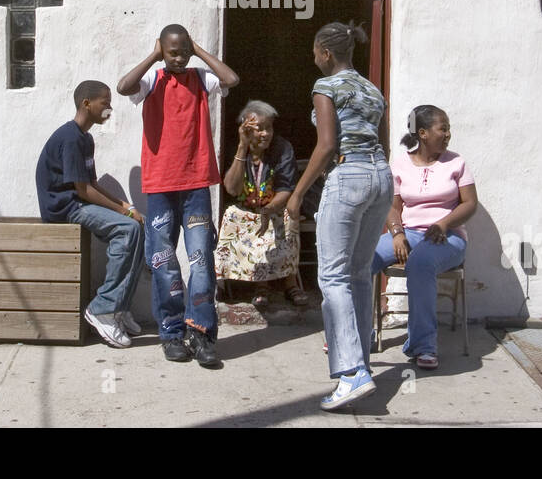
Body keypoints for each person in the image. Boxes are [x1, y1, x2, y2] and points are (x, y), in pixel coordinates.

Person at [271, 21, 390, 411]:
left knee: (333, 277)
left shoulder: (326, 87)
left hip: (349, 175)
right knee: (358, 274)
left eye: (313, 50)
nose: (312, 57)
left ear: (325, 53)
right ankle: (362, 366)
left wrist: (298, 193)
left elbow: (326, 146)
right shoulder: (372, 89)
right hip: (380, 176)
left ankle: (351, 373)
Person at [117, 24, 239, 367]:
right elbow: (123, 86)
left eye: (183, 51)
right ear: (161, 49)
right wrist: (154, 56)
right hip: (160, 186)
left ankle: (201, 335)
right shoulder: (152, 81)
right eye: (172, 51)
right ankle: (171, 334)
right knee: (165, 264)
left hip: (196, 184)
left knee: (201, 262)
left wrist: (199, 51)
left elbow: (230, 79)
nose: (179, 57)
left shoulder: (201, 78)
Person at [36, 80, 146, 349]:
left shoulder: (85, 138)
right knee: (127, 229)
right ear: (87, 103)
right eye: (105, 103)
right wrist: (122, 213)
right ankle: (102, 308)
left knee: (136, 226)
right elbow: (83, 190)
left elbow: (93, 184)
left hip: (78, 203)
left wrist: (127, 206)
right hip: (65, 208)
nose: (109, 109)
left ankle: (119, 307)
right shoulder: (71, 138)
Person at [371, 104, 478, 369]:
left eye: (448, 129)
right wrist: (396, 234)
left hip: (447, 238)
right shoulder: (400, 164)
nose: (448, 134)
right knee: (365, 258)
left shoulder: (456, 162)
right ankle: (358, 334)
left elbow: (470, 204)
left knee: (420, 263)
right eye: (443, 128)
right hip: (408, 233)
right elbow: (392, 206)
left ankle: (424, 346)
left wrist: (443, 224)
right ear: (423, 133)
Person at [216, 101, 309, 308]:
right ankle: (261, 284)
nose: (266, 134)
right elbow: (231, 188)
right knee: (232, 215)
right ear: (247, 129)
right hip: (247, 209)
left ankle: (290, 282)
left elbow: (286, 189)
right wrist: (242, 147)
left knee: (287, 217)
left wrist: (268, 209)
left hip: (274, 206)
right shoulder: (236, 147)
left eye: (269, 128)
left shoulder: (282, 148)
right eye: (260, 129)